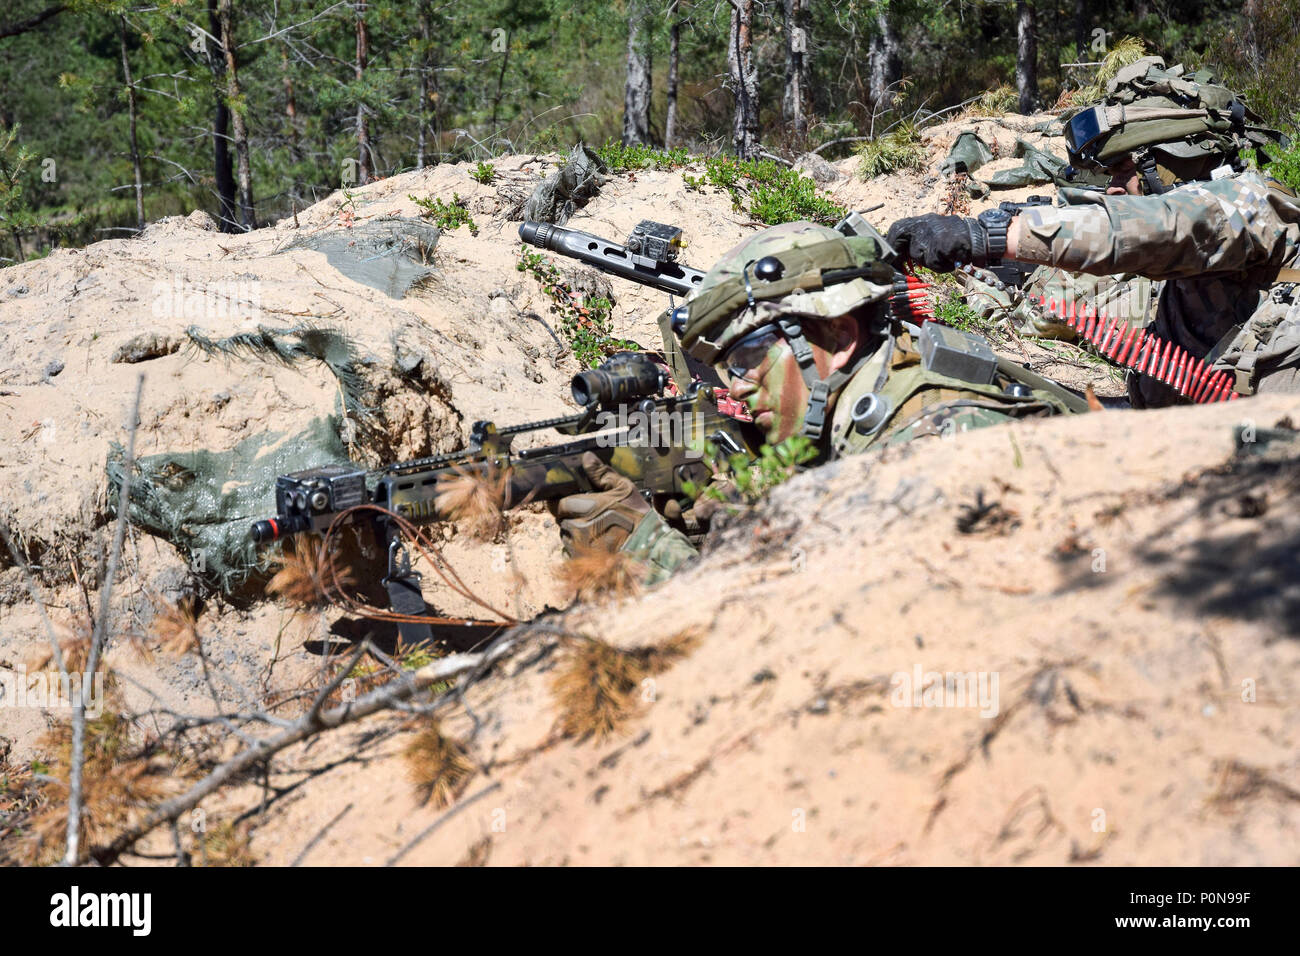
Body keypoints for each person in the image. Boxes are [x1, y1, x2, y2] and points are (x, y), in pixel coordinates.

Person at [551, 219, 1088, 582]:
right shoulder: (857, 418)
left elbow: (843, 643)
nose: (735, 386)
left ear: (836, 339)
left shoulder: (935, 439)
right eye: (725, 368)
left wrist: (657, 560)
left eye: (749, 358)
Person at [889, 57, 1299, 408]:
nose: (1114, 189)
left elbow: (1147, 229)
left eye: (1124, 171)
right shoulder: (1188, 271)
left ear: (1174, 161)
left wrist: (988, 235)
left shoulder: (1246, 201)